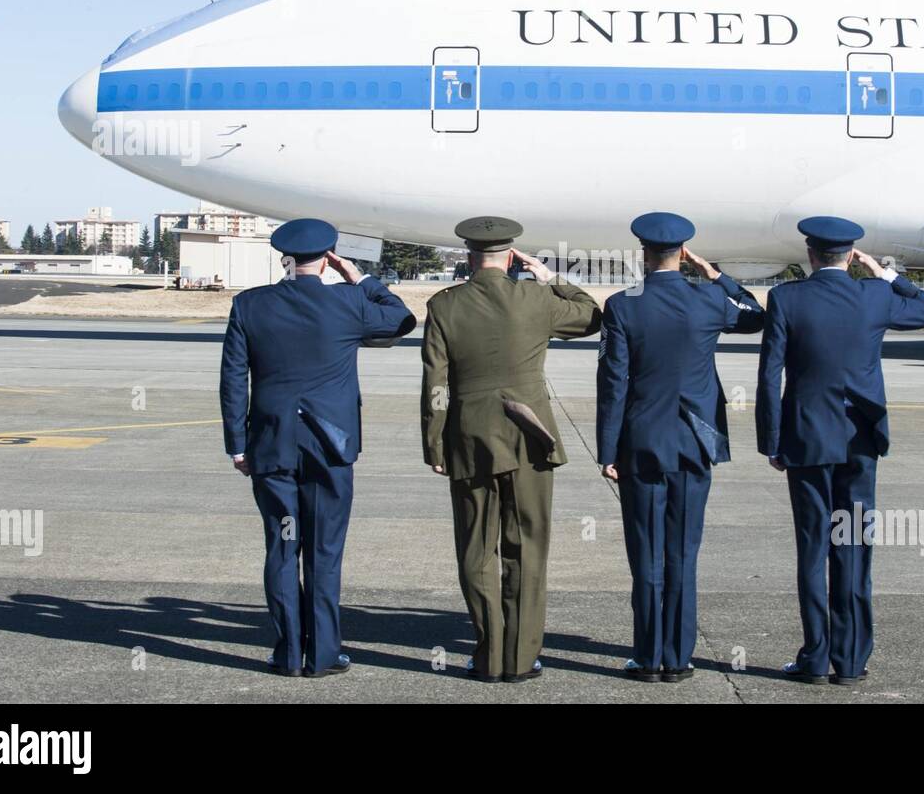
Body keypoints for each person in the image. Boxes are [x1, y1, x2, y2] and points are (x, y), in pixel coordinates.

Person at [220, 218, 415, 677]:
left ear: (283, 258)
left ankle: (287, 653)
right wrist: (360, 278)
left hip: (272, 447)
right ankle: (325, 654)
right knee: (324, 551)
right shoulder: (347, 302)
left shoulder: (250, 305)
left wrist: (237, 444)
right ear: (328, 257)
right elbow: (400, 317)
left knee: (283, 547)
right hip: (331, 447)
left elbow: (233, 380)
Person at [755, 216, 924, 686]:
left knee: (813, 550)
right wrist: (885, 274)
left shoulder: (787, 298)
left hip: (805, 438)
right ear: (851, 255)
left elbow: (769, 374)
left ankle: (815, 658)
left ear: (811, 254)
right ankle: (852, 660)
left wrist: (771, 442)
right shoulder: (874, 296)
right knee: (854, 547)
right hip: (860, 442)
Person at [420, 216, 601, 683]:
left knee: (477, 551)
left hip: (470, 437)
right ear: (512, 256)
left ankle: (489, 652)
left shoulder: (444, 305)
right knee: (527, 548)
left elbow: (436, 382)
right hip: (530, 438)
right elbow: (590, 315)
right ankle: (520, 660)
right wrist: (551, 278)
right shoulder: (537, 299)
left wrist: (435, 440)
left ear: (468, 256)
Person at [596, 212, 764, 682]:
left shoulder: (622, 305)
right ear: (683, 253)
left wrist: (608, 450)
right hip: (695, 441)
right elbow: (755, 316)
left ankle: (648, 657)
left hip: (642, 442)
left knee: (646, 555)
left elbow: (612, 382)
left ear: (643, 254)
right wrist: (717, 275)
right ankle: (679, 657)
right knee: (684, 555)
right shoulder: (710, 299)